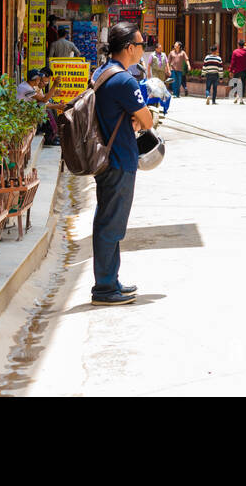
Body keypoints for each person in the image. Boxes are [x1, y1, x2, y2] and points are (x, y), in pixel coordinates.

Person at [90, 21, 155, 306]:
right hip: (118, 159)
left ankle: (110, 280)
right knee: (111, 224)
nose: (143, 50)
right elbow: (147, 119)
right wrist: (138, 116)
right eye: (141, 45)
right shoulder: (125, 80)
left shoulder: (102, 72)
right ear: (129, 48)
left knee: (108, 220)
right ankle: (104, 288)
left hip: (106, 158)